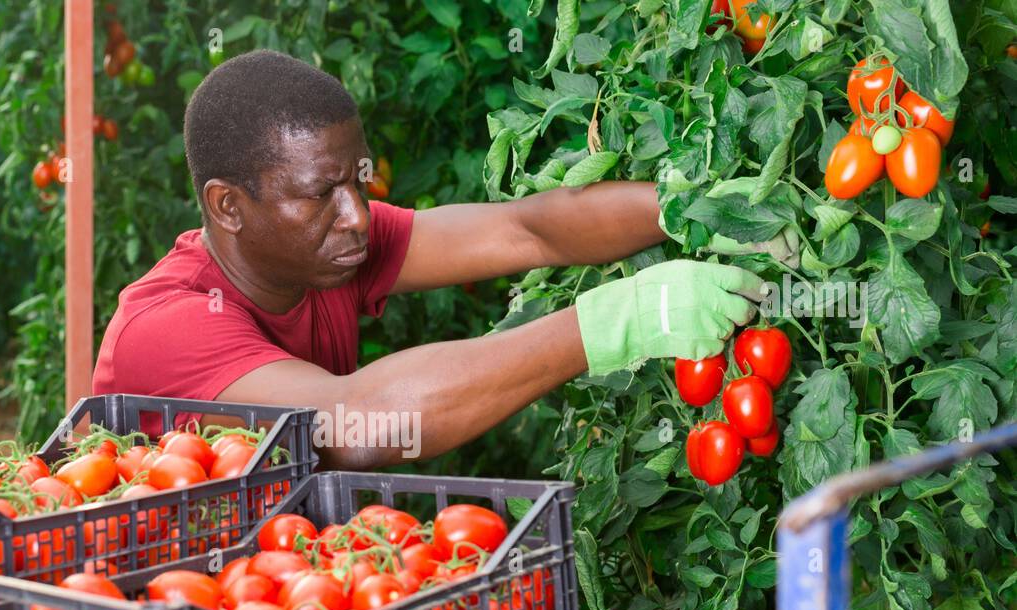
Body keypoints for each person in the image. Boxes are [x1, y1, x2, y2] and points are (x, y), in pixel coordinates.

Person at [92, 50, 792, 468]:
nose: (357, 216)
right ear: (227, 207)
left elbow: (526, 231)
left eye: (357, 181)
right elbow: (352, 421)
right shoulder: (169, 328)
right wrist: (617, 322)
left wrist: (686, 212)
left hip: (270, 590)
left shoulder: (325, 248)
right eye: (319, 194)